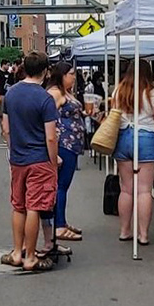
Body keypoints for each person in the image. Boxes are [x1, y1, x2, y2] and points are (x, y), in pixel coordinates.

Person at [0, 51, 58, 272]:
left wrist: (13, 150)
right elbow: (51, 136)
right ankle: (31, 256)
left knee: (19, 206)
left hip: (18, 158)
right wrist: (53, 163)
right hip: (40, 159)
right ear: (45, 71)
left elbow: (6, 129)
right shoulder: (45, 98)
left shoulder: (11, 94)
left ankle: (17, 252)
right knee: (34, 207)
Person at [112, 59, 154, 245]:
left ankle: (124, 230)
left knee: (127, 189)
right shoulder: (153, 93)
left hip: (123, 138)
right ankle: (143, 234)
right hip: (146, 138)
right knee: (144, 190)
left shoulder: (118, 90)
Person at [46, 62, 85, 243]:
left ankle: (62, 221)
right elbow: (47, 119)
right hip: (64, 145)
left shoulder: (65, 92)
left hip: (72, 144)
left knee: (64, 185)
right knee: (61, 186)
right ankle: (59, 225)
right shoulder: (55, 93)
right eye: (70, 74)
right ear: (61, 75)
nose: (73, 77)